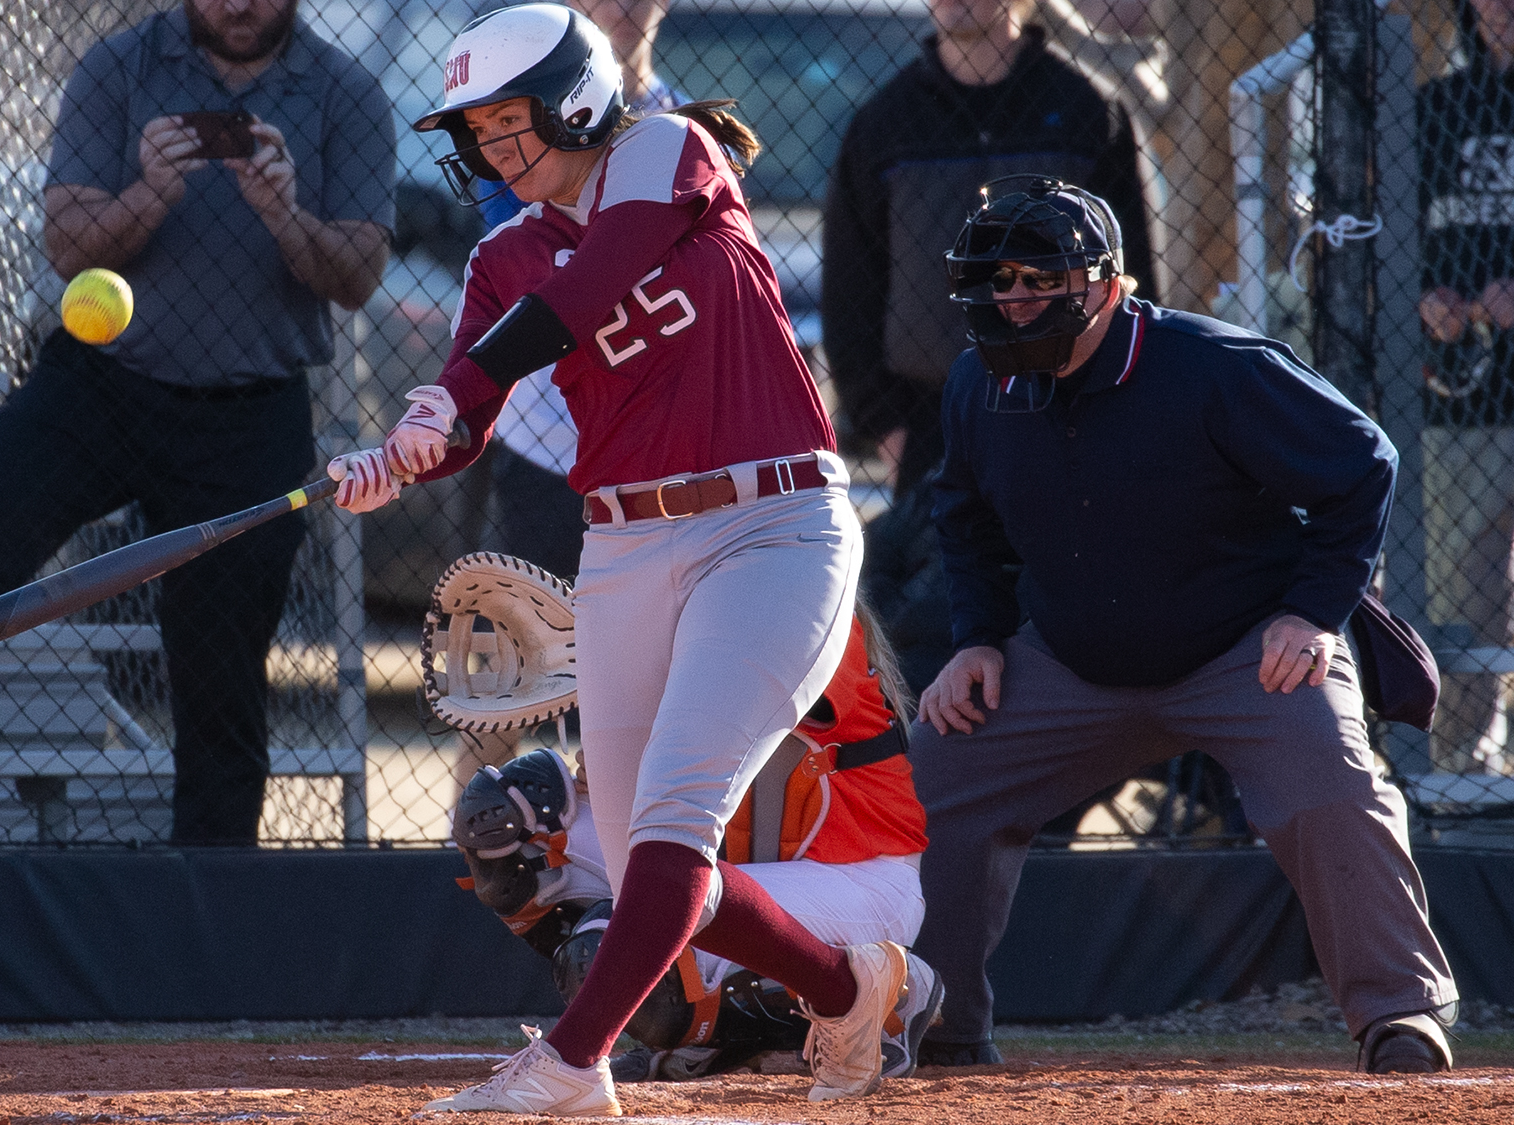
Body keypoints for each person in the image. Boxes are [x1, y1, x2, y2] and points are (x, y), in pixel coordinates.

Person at [329, 4, 907, 1112]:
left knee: (676, 819)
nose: (495, 149)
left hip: (771, 528)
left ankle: (566, 1063)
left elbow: (588, 289)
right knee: (652, 849)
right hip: (624, 547)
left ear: (578, 98)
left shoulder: (663, 151)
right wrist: (400, 453)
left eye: (514, 123)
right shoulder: (501, 256)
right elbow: (468, 418)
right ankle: (845, 994)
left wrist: (445, 394)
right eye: (478, 132)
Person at [0, 0, 396, 846]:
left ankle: (213, 876)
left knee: (221, 658)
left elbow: (354, 277)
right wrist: (154, 191)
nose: (238, 7)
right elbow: (68, 244)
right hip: (101, 386)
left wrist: (282, 211)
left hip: (251, 409)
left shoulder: (345, 92)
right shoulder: (122, 66)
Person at [907, 175, 1460, 1074]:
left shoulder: (1213, 366)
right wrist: (976, 638)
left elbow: (1364, 462)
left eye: (1038, 280)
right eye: (998, 282)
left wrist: (1313, 614)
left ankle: (1403, 1015)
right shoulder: (980, 384)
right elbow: (963, 519)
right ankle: (940, 1023)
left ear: (1109, 284)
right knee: (938, 775)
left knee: (1330, 781)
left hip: (1244, 648)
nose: (1016, 303)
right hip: (1073, 658)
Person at [451, 605, 943, 1084]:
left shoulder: (812, 609)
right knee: (510, 817)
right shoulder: (682, 612)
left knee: (615, 944)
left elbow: (731, 686)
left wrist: (610, 662)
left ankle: (881, 999)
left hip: (859, 884)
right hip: (736, 878)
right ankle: (708, 1031)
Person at [822, 0, 1155, 497]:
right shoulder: (883, 123)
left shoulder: (1087, 108)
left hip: (1070, 414)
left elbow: (1133, 279)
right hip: (931, 427)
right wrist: (893, 435)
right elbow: (850, 296)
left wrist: (1112, 407)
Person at [478, 0, 688, 584]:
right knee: (549, 652)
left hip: (657, 444)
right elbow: (532, 252)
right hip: (550, 437)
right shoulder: (517, 125)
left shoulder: (687, 131)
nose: (620, 5)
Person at [1417, 0, 1514, 774]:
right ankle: (1462, 780)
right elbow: (1387, 242)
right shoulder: (1434, 110)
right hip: (1465, 402)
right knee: (1466, 603)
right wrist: (1428, 305)